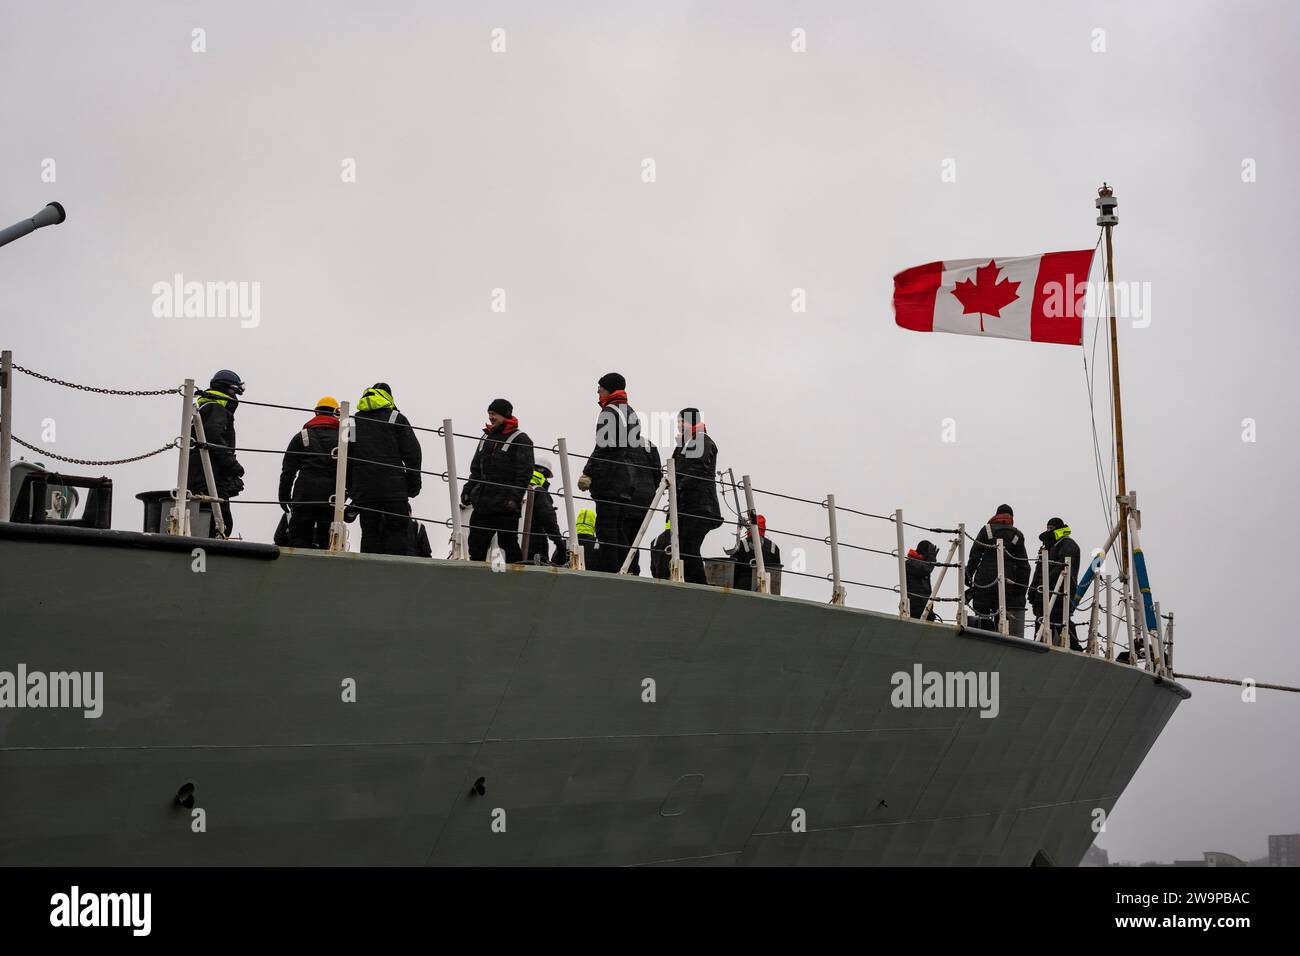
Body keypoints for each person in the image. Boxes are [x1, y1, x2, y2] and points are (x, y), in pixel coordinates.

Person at [577, 373, 660, 574]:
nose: (598, 391)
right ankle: (626, 569)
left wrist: (588, 472)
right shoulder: (631, 413)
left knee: (606, 530)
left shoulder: (610, 411)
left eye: (600, 387)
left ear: (609, 389)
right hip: (627, 483)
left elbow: (604, 447)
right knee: (619, 530)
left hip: (609, 481)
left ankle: (611, 572)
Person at [350, 382, 422, 555]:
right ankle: (395, 575)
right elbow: (413, 453)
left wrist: (352, 490)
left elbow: (346, 457)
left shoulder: (351, 422)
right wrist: (413, 485)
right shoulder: (396, 418)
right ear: (388, 397)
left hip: (365, 491)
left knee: (369, 533)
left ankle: (368, 575)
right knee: (397, 533)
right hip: (394, 491)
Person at [462, 398, 534, 564]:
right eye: (489, 414)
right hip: (483, 504)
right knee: (475, 545)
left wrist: (514, 499)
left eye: (493, 414)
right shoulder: (485, 438)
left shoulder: (520, 439)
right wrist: (467, 490)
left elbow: (524, 473)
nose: (490, 418)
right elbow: (476, 470)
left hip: (505, 507)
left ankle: (515, 581)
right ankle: (477, 581)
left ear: (505, 414)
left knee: (508, 546)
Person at [277, 395, 342, 549]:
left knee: (299, 538)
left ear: (316, 413)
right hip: (331, 496)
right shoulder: (343, 440)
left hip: (304, 494)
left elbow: (288, 470)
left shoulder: (302, 436)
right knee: (328, 541)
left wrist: (284, 495)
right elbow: (352, 468)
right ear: (336, 413)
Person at [189, 369, 245, 537]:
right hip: (208, 475)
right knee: (222, 523)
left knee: (210, 521)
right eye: (235, 393)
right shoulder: (216, 408)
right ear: (229, 390)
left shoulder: (206, 408)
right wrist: (233, 466)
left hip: (201, 473)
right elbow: (213, 437)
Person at [671, 408, 723, 584]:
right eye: (678, 421)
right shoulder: (688, 443)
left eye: (682, 421)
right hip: (688, 506)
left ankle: (700, 586)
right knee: (683, 547)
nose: (679, 425)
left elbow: (697, 469)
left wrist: (677, 487)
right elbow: (676, 470)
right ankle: (691, 584)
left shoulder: (702, 440)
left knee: (688, 547)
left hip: (701, 506)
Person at [964, 504, 1030, 635]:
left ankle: (980, 641)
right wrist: (1020, 592)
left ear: (996, 515)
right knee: (1002, 618)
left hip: (983, 581)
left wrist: (968, 576)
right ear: (1011, 517)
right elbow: (1024, 566)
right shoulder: (1017, 535)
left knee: (981, 617)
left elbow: (974, 556)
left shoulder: (986, 530)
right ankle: (1000, 640)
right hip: (1007, 584)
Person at [1030, 517, 1083, 650]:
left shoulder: (1067, 544)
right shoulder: (1047, 546)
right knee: (1041, 620)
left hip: (1060, 591)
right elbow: (1039, 570)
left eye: (1051, 528)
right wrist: (1032, 590)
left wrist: (1045, 585)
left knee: (1061, 619)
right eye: (1047, 527)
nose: (1048, 530)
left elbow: (1062, 568)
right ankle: (1038, 647)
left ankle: (1075, 648)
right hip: (1044, 591)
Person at [524, 461, 566, 565]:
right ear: (545, 475)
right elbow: (549, 520)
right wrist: (559, 543)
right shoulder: (538, 491)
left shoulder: (518, 489)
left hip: (512, 547)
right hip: (534, 550)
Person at [731, 514, 781, 591]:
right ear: (764, 528)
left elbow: (733, 571)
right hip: (766, 590)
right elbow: (776, 574)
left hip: (742, 590)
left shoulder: (741, 545)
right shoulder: (774, 548)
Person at [906, 539, 941, 621]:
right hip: (915, 610)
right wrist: (931, 559)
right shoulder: (910, 563)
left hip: (924, 608)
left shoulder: (920, 564)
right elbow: (925, 569)